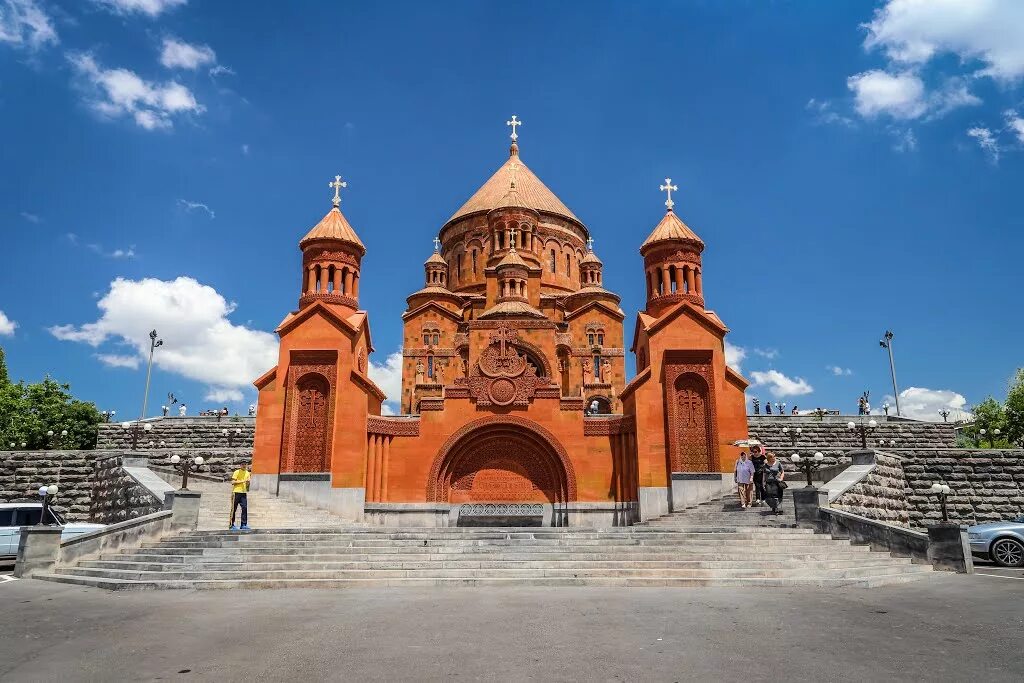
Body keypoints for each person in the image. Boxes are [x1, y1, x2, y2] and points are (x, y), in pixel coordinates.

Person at [761, 452, 787, 516]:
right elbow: (764, 474)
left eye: (774, 456)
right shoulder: (765, 465)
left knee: (776, 495)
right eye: (772, 457)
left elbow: (782, 471)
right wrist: (763, 482)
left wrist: (781, 478)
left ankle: (776, 507)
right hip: (768, 482)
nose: (774, 458)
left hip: (776, 481)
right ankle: (773, 506)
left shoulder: (778, 463)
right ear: (769, 458)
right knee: (769, 494)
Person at [229, 463, 252, 530]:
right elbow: (233, 482)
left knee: (244, 508)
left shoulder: (247, 473)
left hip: (243, 493)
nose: (244, 465)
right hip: (236, 492)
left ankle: (243, 524)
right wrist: (242, 481)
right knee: (234, 509)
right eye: (243, 464)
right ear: (240, 465)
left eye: (245, 464)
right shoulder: (237, 472)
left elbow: (247, 486)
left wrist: (248, 483)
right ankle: (231, 525)